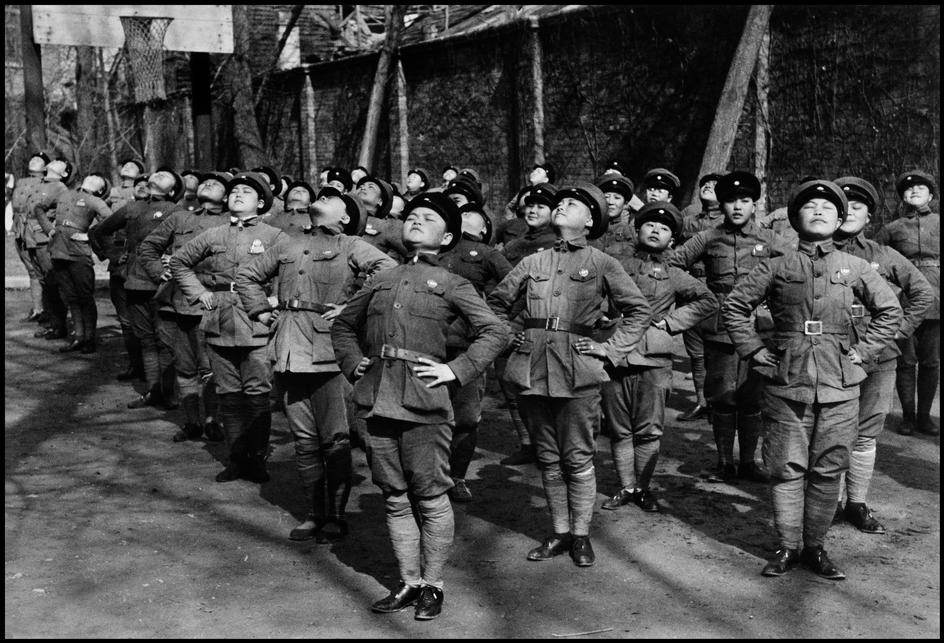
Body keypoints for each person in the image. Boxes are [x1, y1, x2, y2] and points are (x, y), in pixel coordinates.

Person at [332, 192, 508, 620]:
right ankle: (409, 581)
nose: (415, 221)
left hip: (424, 402)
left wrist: (455, 371)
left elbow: (495, 332)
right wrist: (355, 366)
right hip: (377, 399)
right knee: (393, 495)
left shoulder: (452, 282)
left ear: (446, 235)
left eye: (428, 218)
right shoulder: (380, 279)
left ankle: (433, 583)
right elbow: (342, 326)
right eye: (411, 215)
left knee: (429, 495)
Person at [722, 178, 901, 580]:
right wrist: (755, 351)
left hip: (840, 383)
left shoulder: (854, 268)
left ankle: (816, 548)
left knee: (828, 466)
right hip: (786, 379)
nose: (819, 211)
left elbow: (890, 311)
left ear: (840, 220)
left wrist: (864, 352)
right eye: (810, 206)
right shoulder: (776, 266)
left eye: (828, 207)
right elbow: (734, 307)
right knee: (786, 467)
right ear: (795, 218)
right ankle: (787, 546)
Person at [487, 181, 652, 567]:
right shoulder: (532, 262)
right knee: (547, 457)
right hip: (531, 371)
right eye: (559, 202)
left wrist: (609, 350)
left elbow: (639, 311)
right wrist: (512, 337)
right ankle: (559, 532)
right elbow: (496, 305)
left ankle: (580, 535)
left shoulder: (601, 263)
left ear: (591, 218)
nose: (561, 207)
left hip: (578, 371)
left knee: (577, 458)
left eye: (572, 204)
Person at [237, 185, 396, 541]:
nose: (319, 199)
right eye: (319, 195)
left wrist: (354, 307)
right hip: (290, 351)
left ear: (346, 216)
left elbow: (390, 273)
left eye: (329, 198)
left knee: (335, 438)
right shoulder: (288, 243)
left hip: (329, 353)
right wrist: (261, 311)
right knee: (304, 439)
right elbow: (247, 276)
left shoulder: (352, 246)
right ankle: (313, 514)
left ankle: (335, 516)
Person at [668, 171, 792, 484]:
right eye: (731, 201)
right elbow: (671, 264)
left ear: (755, 205)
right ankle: (724, 461)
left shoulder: (770, 240)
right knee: (722, 395)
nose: (737, 206)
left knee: (752, 397)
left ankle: (748, 462)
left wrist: (772, 302)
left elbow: (794, 269)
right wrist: (700, 291)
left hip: (757, 327)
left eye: (745, 200)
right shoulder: (708, 237)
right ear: (722, 204)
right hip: (719, 324)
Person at [599, 202, 716, 512]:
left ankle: (642, 488)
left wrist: (669, 324)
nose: (656, 230)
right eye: (650, 225)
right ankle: (625, 487)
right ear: (637, 230)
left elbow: (708, 300)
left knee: (649, 429)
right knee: (618, 427)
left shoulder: (674, 274)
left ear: (672, 241)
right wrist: (600, 319)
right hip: (614, 353)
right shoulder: (613, 264)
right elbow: (591, 294)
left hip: (654, 359)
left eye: (664, 229)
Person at [831, 176, 932, 533]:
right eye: (843, 206)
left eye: (858, 207)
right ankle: (827, 503)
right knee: (827, 432)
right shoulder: (811, 252)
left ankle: (856, 503)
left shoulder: (884, 255)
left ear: (869, 215)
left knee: (865, 432)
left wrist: (898, 332)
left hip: (878, 359)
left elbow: (923, 295)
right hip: (828, 358)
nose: (849, 213)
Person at [169, 171, 285, 483]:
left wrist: (275, 301)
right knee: (230, 395)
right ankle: (236, 458)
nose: (237, 195)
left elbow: (293, 270)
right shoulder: (214, 234)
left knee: (258, 395)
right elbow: (179, 262)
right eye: (233, 191)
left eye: (246, 192)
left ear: (260, 202)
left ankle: (257, 459)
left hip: (257, 322)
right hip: (219, 320)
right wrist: (200, 294)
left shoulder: (274, 236)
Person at [138, 171, 233, 443]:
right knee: (185, 368)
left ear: (226, 197)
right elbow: (149, 247)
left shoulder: (233, 222)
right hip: (180, 304)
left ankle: (214, 420)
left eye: (217, 184)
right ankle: (192, 422)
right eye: (205, 181)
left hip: (216, 304)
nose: (208, 183)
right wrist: (160, 272)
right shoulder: (180, 217)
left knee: (213, 368)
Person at [91, 168, 185, 408]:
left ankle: (168, 393)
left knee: (166, 340)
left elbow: (190, 242)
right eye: (157, 174)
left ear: (173, 190)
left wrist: (173, 259)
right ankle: (152, 391)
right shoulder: (132, 208)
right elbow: (100, 231)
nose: (158, 175)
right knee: (146, 339)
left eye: (165, 176)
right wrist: (114, 254)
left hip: (164, 284)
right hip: (134, 282)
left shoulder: (177, 211)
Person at [438, 202, 513, 501]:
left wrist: (492, 318)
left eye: (472, 214)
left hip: (466, 347)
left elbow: (513, 288)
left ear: (484, 228)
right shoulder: (433, 247)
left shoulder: (487, 254)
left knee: (466, 417)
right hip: (425, 343)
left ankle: (456, 476)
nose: (464, 213)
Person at [496, 182, 560, 465]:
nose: (533, 210)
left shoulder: (558, 244)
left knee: (545, 386)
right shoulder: (514, 245)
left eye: (541, 206)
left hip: (543, 319)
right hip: (512, 319)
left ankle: (549, 445)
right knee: (510, 381)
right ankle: (527, 443)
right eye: (530, 205)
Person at [873, 171, 940, 436]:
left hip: (937, 300)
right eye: (909, 189)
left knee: (932, 362)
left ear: (931, 196)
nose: (914, 191)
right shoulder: (892, 229)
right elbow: (875, 264)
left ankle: (925, 417)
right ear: (902, 196)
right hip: (904, 301)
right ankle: (908, 417)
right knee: (906, 361)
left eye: (921, 188)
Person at [35, 172, 113, 353]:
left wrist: (89, 235)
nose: (93, 177)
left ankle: (89, 339)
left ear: (100, 189)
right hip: (58, 252)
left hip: (79, 255)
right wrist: (49, 229)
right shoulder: (64, 194)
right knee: (71, 297)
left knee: (85, 297)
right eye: (92, 175)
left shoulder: (96, 202)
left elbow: (111, 223)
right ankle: (78, 337)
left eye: (98, 179)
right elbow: (39, 208)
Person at [677, 172, 724, 422]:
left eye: (716, 186)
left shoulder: (729, 222)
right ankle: (701, 402)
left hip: (718, 289)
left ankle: (720, 404)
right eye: (705, 184)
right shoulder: (687, 219)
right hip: (690, 286)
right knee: (695, 351)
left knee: (718, 350)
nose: (708, 187)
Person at [106, 163, 148, 381]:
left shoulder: (167, 211)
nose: (142, 187)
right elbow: (99, 232)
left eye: (146, 184)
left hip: (149, 274)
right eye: (138, 184)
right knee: (126, 322)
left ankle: (157, 374)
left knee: (150, 324)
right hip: (121, 271)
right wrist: (112, 255)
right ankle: (136, 366)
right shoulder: (125, 210)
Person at [26, 158, 74, 341]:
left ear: (64, 173)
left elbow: (62, 214)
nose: (54, 162)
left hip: (45, 239)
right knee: (45, 282)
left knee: (53, 282)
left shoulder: (60, 188)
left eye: (61, 163)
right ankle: (51, 323)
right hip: (30, 238)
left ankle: (59, 326)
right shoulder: (40, 183)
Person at [10, 151, 50, 322]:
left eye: (39, 159)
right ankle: (38, 309)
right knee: (32, 271)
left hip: (37, 229)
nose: (34, 160)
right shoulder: (20, 182)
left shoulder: (49, 183)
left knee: (46, 271)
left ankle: (52, 311)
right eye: (32, 157)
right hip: (20, 229)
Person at [357, 174, 408, 262]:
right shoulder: (339, 216)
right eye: (361, 186)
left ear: (380, 201)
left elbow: (411, 252)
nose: (363, 188)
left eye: (371, 187)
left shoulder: (388, 226)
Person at [591, 174, 637, 259]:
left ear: (625, 204)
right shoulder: (589, 227)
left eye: (617, 198)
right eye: (606, 197)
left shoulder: (631, 232)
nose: (610, 202)